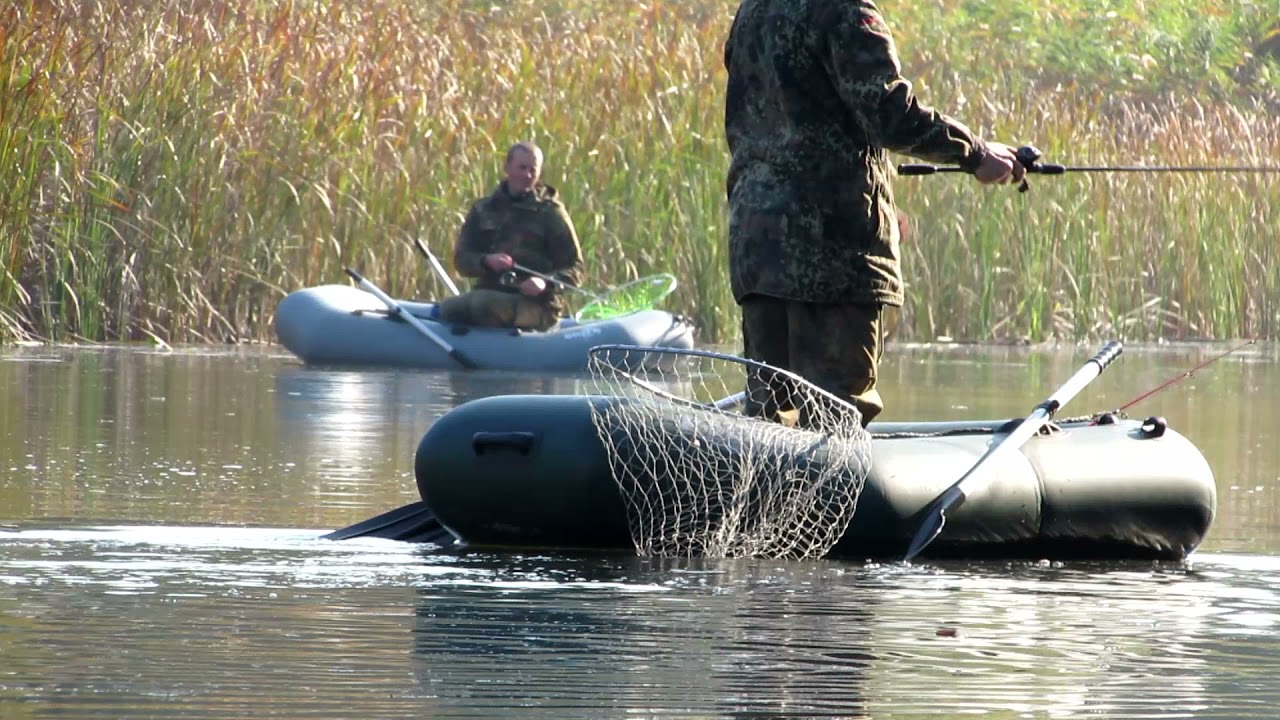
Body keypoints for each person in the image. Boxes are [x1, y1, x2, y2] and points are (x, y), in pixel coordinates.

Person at [723, 0, 1027, 428]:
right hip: (831, 252)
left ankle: (766, 498)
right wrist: (976, 153)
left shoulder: (754, 10)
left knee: (768, 426)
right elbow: (889, 113)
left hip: (758, 248)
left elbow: (791, 121)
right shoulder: (844, 9)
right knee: (834, 423)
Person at [435, 141, 585, 332]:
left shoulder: (550, 213)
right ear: (507, 168)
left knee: (481, 303)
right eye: (522, 168)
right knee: (448, 309)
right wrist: (486, 261)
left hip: (538, 306)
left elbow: (576, 269)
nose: (527, 175)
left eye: (533, 170)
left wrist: (544, 282)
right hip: (491, 294)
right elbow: (462, 259)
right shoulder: (484, 209)